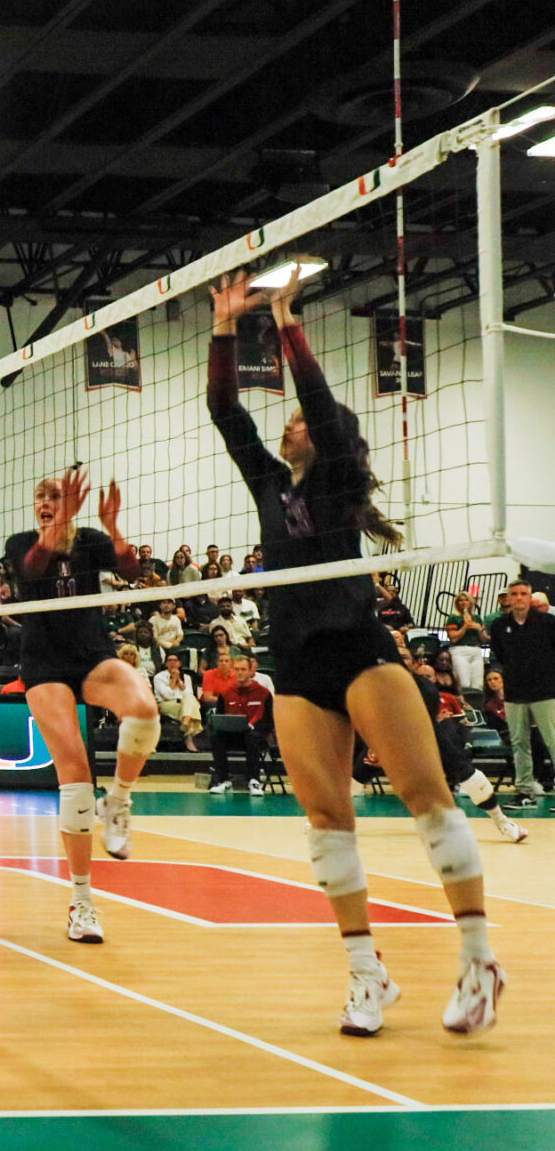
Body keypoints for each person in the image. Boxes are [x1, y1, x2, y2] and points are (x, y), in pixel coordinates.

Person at [209, 267, 501, 1035]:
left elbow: (320, 413)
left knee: (424, 797)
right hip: (297, 662)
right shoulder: (270, 484)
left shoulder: (335, 475)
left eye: (304, 419)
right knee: (325, 818)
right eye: (293, 421)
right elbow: (223, 409)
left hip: (360, 649)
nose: (291, 425)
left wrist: (286, 321)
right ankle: (367, 975)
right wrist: (224, 329)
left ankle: (479, 959)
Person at [2, 467, 164, 937]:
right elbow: (31, 569)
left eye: (55, 494)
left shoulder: (90, 540)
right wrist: (58, 525)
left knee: (145, 711)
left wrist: (112, 527)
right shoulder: (21, 542)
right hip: (44, 664)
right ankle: (82, 901)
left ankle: (118, 802)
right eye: (41, 494)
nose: (47, 500)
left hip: (92, 654)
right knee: (74, 774)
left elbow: (134, 572)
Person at [408, 655, 527, 844]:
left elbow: (463, 718)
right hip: (397, 740)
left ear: (414, 664)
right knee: (358, 776)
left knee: (466, 770)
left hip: (433, 734)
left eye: (405, 656)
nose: (400, 659)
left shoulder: (433, 692)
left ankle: (502, 821)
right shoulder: (380, 687)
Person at [488, 579, 555, 807]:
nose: (518, 597)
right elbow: (500, 654)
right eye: (514, 593)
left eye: (523, 593)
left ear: (530, 597)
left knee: (553, 741)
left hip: (545, 691)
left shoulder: (548, 622)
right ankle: (525, 792)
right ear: (508, 597)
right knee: (519, 742)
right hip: (515, 693)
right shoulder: (499, 625)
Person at [208, 653, 272, 796]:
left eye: (243, 669)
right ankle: (223, 780)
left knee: (252, 737)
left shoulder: (264, 693)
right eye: (236, 669)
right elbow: (220, 717)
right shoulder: (225, 693)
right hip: (232, 737)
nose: (239, 672)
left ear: (250, 671)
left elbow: (269, 721)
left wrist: (255, 728)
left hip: (255, 737)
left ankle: (254, 780)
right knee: (215, 737)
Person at [443, 591, 488, 693]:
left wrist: (479, 628)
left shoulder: (477, 618)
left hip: (476, 650)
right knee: (464, 682)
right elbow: (453, 638)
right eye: (460, 600)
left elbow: (484, 639)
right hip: (460, 650)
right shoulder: (453, 617)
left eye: (466, 600)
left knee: (478, 683)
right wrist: (465, 627)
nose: (463, 602)